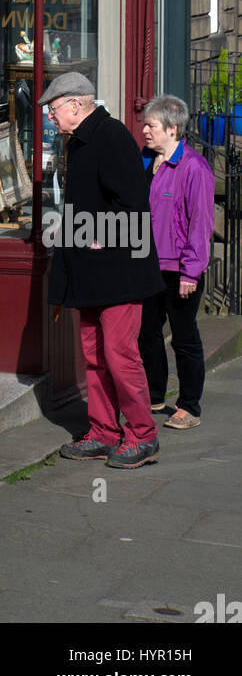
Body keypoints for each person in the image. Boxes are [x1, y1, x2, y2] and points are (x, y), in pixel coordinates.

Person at [40, 72, 164, 468]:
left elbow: (133, 203)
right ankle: (105, 431)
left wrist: (99, 235)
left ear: (75, 105)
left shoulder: (109, 136)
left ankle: (143, 435)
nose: (50, 118)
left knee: (119, 354)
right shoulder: (79, 140)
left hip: (118, 271)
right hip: (91, 271)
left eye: (53, 109)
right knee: (94, 356)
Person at [138, 95, 214, 428]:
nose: (144, 131)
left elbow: (201, 223)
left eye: (151, 125)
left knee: (184, 338)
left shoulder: (194, 168)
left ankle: (189, 406)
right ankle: (155, 396)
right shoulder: (144, 161)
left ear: (172, 129)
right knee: (145, 334)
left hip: (180, 270)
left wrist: (191, 271)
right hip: (146, 265)